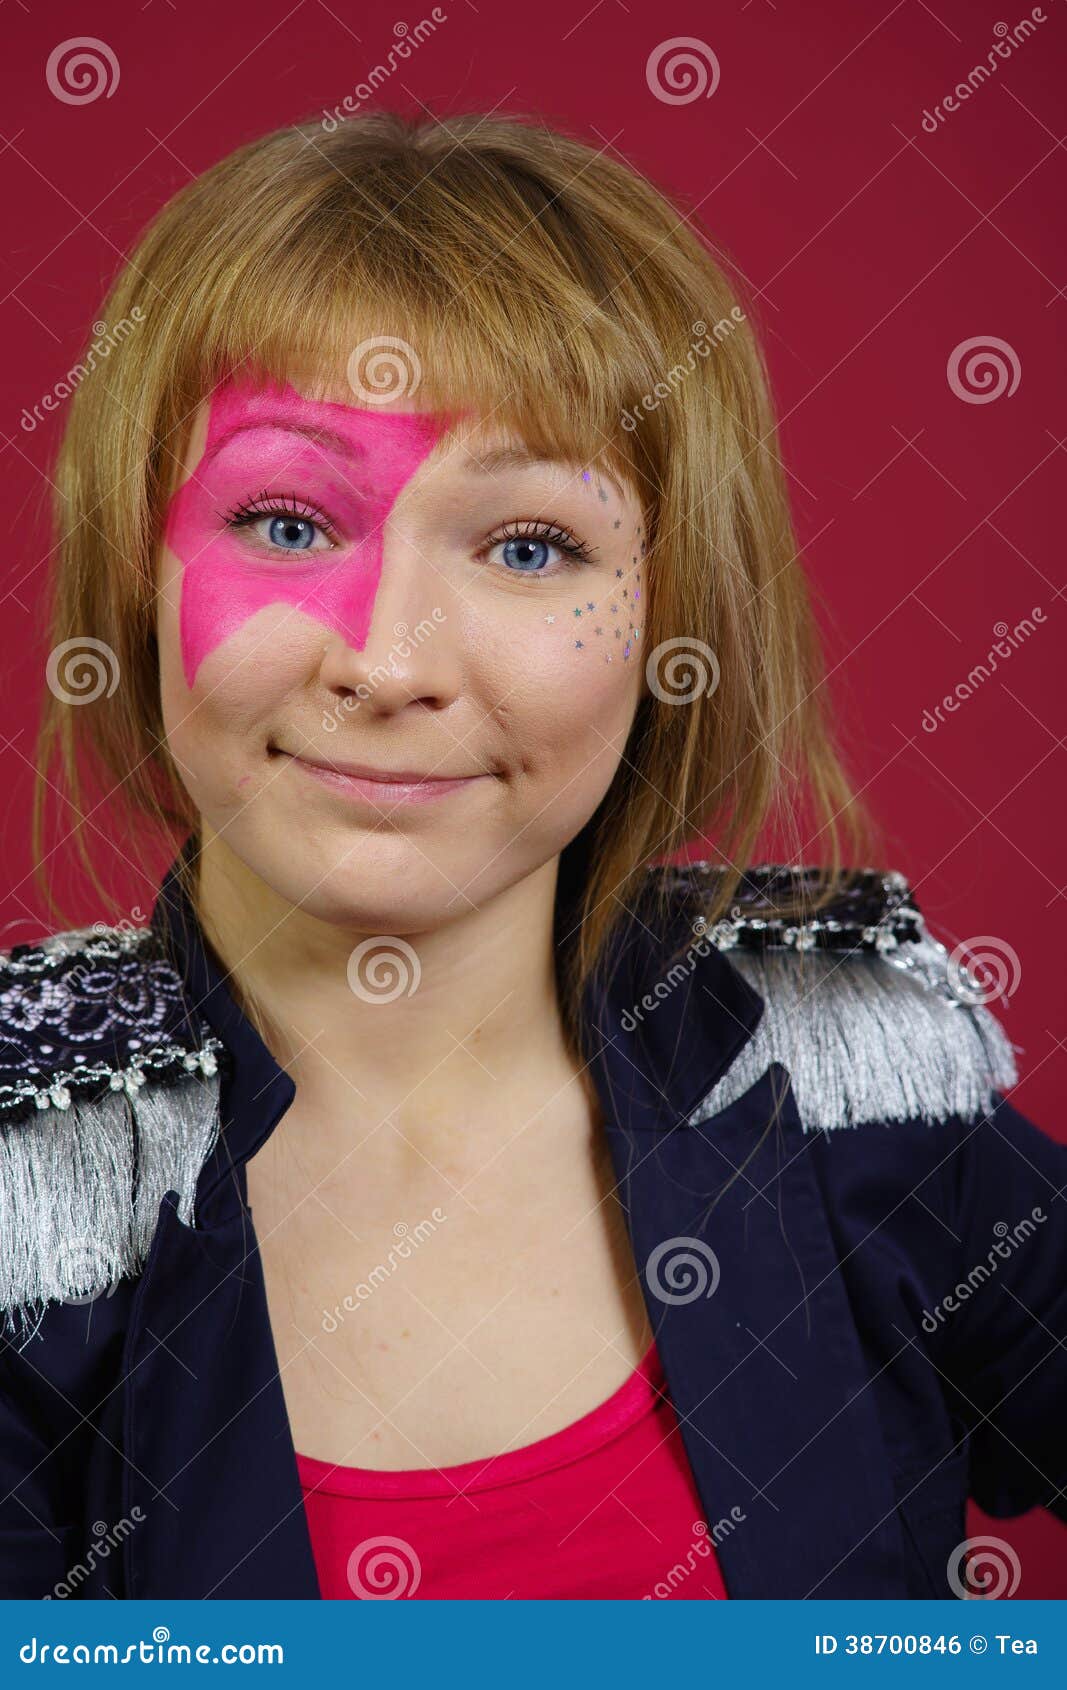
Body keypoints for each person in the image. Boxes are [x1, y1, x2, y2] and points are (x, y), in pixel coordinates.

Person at [1, 110, 1063, 1602]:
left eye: (526, 548)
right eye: (290, 520)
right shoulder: (18, 1197)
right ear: (141, 574)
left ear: (668, 618)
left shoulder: (851, 1081)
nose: (386, 661)